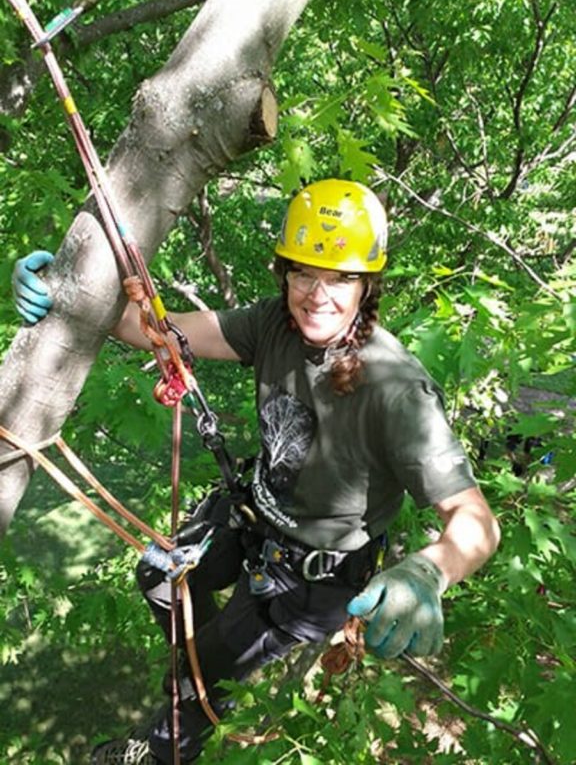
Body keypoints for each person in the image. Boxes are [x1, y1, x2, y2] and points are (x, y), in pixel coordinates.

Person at [12, 179, 500, 764]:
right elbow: (158, 332)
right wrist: (71, 291)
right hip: (251, 522)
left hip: (314, 577)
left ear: (367, 285)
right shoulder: (275, 324)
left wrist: (428, 573)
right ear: (285, 274)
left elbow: (476, 523)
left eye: (341, 278)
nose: (318, 295)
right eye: (303, 274)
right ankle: (204, 654)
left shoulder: (397, 390)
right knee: (157, 576)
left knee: (205, 677)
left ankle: (170, 735)